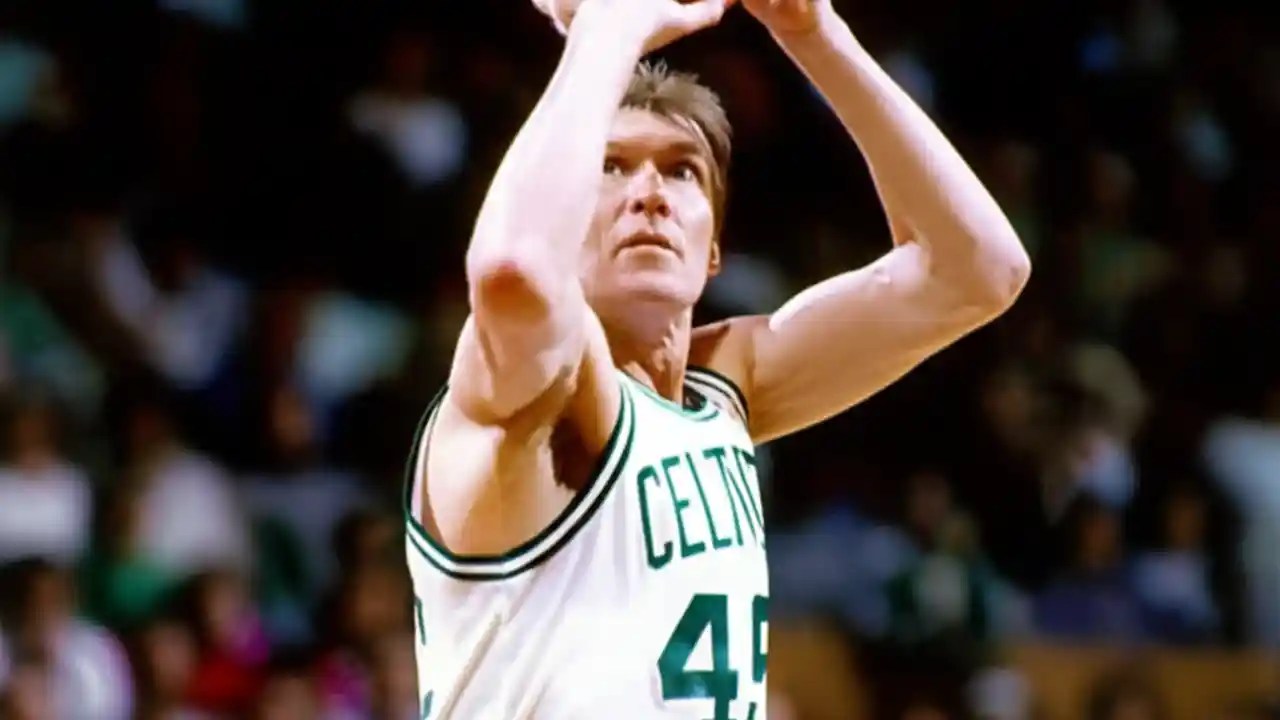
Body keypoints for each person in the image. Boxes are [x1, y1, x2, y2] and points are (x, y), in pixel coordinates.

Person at [403, 0, 1031, 717]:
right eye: (611, 168)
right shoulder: (539, 401)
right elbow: (513, 270)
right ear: (566, 209)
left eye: (680, 173)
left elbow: (981, 272)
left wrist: (814, 32)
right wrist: (610, 29)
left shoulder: (726, 388)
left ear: (713, 252)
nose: (648, 196)